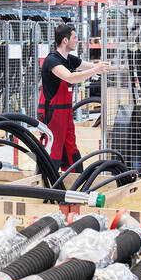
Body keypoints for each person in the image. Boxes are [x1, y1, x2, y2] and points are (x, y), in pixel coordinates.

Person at [38, 23, 103, 171]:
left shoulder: (69, 59)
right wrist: (95, 70)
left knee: (70, 148)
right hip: (52, 114)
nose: (77, 40)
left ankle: (76, 183)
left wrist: (104, 67)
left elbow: (89, 66)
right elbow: (70, 77)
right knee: (52, 149)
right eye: (74, 37)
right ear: (65, 41)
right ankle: (47, 186)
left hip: (66, 113)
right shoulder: (52, 60)